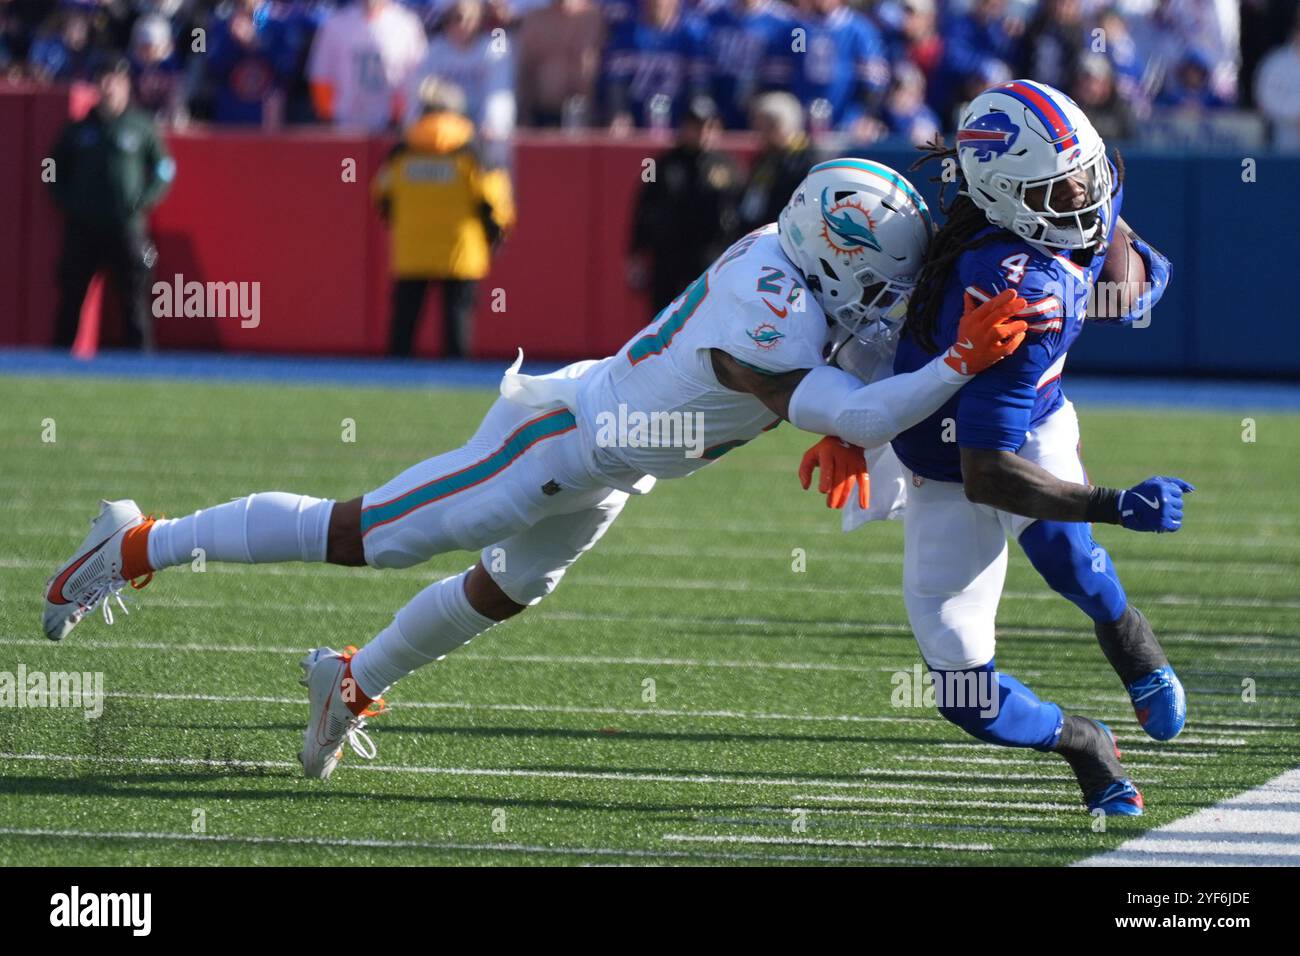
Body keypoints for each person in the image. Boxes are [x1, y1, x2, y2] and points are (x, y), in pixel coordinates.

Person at [41, 159, 1033, 782]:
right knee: (371, 534)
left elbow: (854, 384)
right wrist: (959, 362)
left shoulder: (795, 268)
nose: (884, 298)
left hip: (616, 457)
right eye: (879, 279)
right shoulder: (773, 302)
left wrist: (871, 411)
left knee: (509, 586)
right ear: (835, 255)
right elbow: (857, 400)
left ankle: (349, 677)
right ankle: (136, 541)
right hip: (558, 438)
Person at [879, 80, 1187, 816]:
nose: (1082, 197)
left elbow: (1121, 253)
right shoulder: (1013, 293)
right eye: (1058, 191)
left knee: (1068, 557)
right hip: (951, 465)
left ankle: (1132, 643)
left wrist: (1125, 283)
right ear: (1006, 197)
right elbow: (984, 473)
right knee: (963, 694)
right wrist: (1112, 502)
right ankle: (1084, 742)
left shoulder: (1070, 203)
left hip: (1033, 414)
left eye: (1083, 175)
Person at [373, 78, 515, 358]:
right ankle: (457, 382)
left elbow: (382, 195)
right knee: (458, 320)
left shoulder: (403, 149)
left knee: (405, 320)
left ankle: (391, 382)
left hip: (413, 248)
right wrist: (496, 235)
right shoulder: (472, 149)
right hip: (461, 248)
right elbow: (494, 199)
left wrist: (402, 223)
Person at [48, 58, 175, 351]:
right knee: (71, 297)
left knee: (134, 299)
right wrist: (65, 199)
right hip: (83, 227)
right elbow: (51, 166)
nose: (109, 88)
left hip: (127, 228)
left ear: (126, 86)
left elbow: (164, 167)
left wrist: (145, 199)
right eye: (103, 80)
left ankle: (140, 368)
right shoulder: (78, 129)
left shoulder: (141, 126)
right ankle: (55, 366)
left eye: (115, 81)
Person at [627, 96, 739, 315]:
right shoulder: (655, 164)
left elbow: (736, 213)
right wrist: (636, 253)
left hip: (708, 257)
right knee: (663, 317)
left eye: (709, 126)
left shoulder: (728, 165)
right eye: (696, 126)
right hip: (668, 257)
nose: (703, 133)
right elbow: (642, 208)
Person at [307, 0, 426, 131]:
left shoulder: (407, 24)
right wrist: (329, 117)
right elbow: (320, 74)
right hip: (345, 123)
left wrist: (400, 114)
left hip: (393, 125)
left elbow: (419, 74)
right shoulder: (335, 25)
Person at [733, 92, 816, 239]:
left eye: (764, 128)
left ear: (780, 126)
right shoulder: (766, 157)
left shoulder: (804, 161)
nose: (758, 135)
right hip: (758, 234)